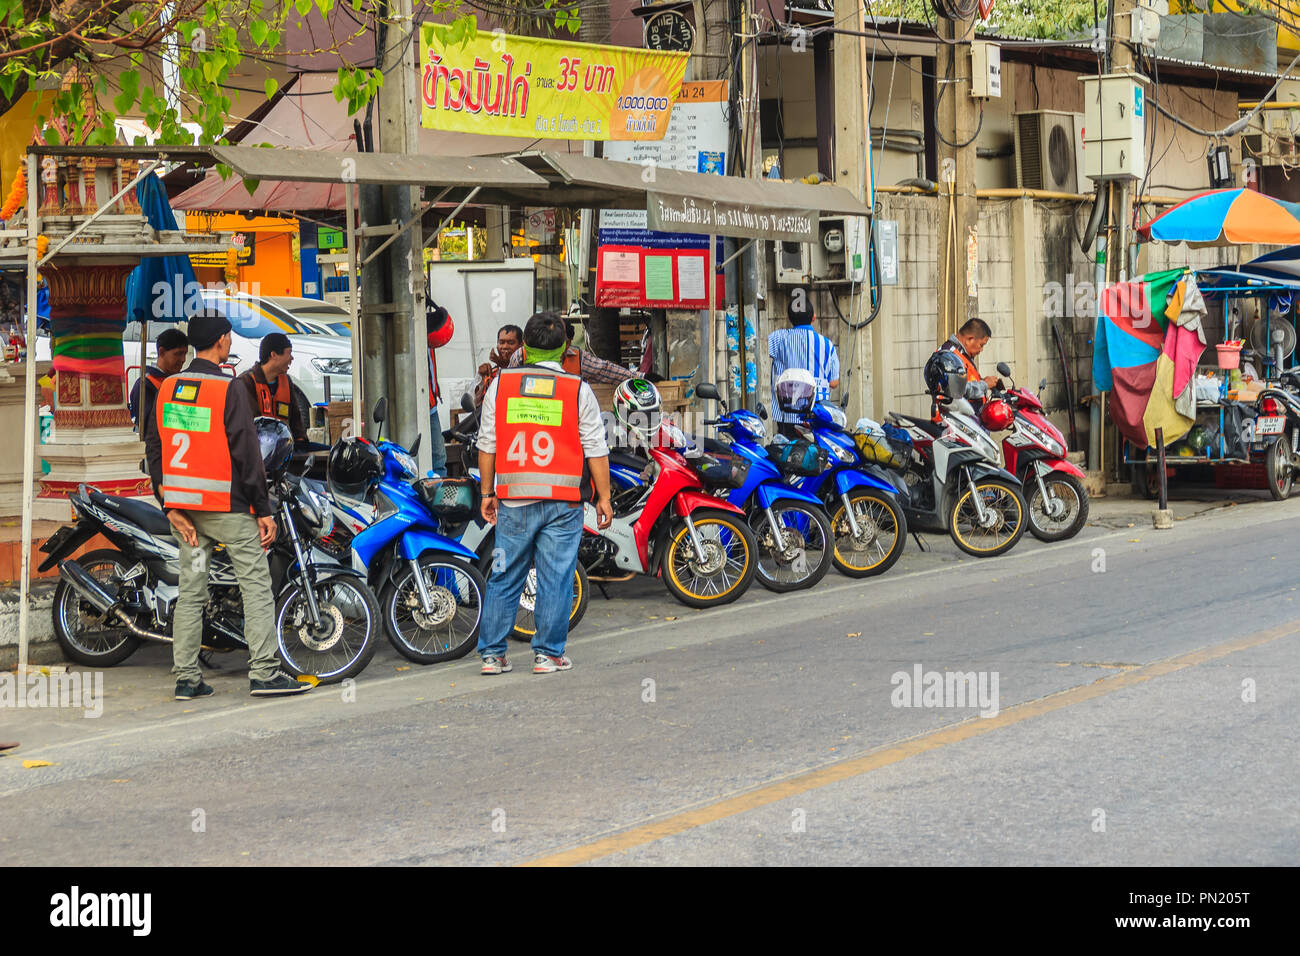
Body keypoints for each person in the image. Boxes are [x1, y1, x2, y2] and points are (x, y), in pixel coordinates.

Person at [145, 312, 310, 700]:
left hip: (188, 519)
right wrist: (263, 509)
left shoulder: (169, 387)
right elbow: (247, 453)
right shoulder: (228, 388)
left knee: (192, 590)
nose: (231, 344)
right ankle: (265, 673)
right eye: (230, 338)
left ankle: (186, 677)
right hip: (228, 514)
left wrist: (168, 503)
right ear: (220, 341)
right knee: (255, 585)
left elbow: (155, 447)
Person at [476, 311, 613, 676]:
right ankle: (548, 655)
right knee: (556, 578)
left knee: (504, 574)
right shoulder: (577, 389)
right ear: (566, 347)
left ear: (524, 346)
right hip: (562, 503)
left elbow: (487, 443)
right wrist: (604, 497)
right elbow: (596, 448)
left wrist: (487, 492)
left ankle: (492, 655)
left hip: (514, 501)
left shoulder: (501, 385)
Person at [768, 286, 840, 439]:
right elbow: (834, 382)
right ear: (813, 317)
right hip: (817, 417)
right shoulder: (827, 345)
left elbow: (758, 348)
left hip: (787, 416)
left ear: (788, 318)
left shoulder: (779, 338)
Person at [507, 318, 636, 385]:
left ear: (568, 343)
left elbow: (605, 369)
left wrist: (639, 378)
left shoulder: (579, 359)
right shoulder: (520, 355)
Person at [236, 332, 309, 443]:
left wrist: (300, 441)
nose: (292, 358)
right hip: (258, 449)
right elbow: (249, 425)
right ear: (273, 355)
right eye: (288, 353)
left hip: (285, 446)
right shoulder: (246, 382)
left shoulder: (286, 381)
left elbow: (296, 421)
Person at [129, 328, 188, 430]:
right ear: (161, 352)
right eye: (178, 354)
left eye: (185, 354)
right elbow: (149, 426)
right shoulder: (144, 386)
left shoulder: (180, 381)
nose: (183, 359)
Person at [427, 301, 455, 476]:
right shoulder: (409, 333)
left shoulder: (426, 332)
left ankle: (439, 499)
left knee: (438, 459)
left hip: (430, 405)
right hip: (417, 405)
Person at [936, 317, 1000, 389]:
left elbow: (967, 381)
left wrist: (982, 381)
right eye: (981, 345)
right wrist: (984, 385)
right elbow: (957, 389)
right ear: (970, 339)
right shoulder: (948, 355)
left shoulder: (962, 354)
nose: (981, 349)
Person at [473, 324, 523, 406]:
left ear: (521, 345)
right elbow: (475, 403)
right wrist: (480, 377)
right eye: (501, 342)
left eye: (510, 343)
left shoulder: (526, 370)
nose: (505, 347)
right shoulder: (491, 373)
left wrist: (504, 367)